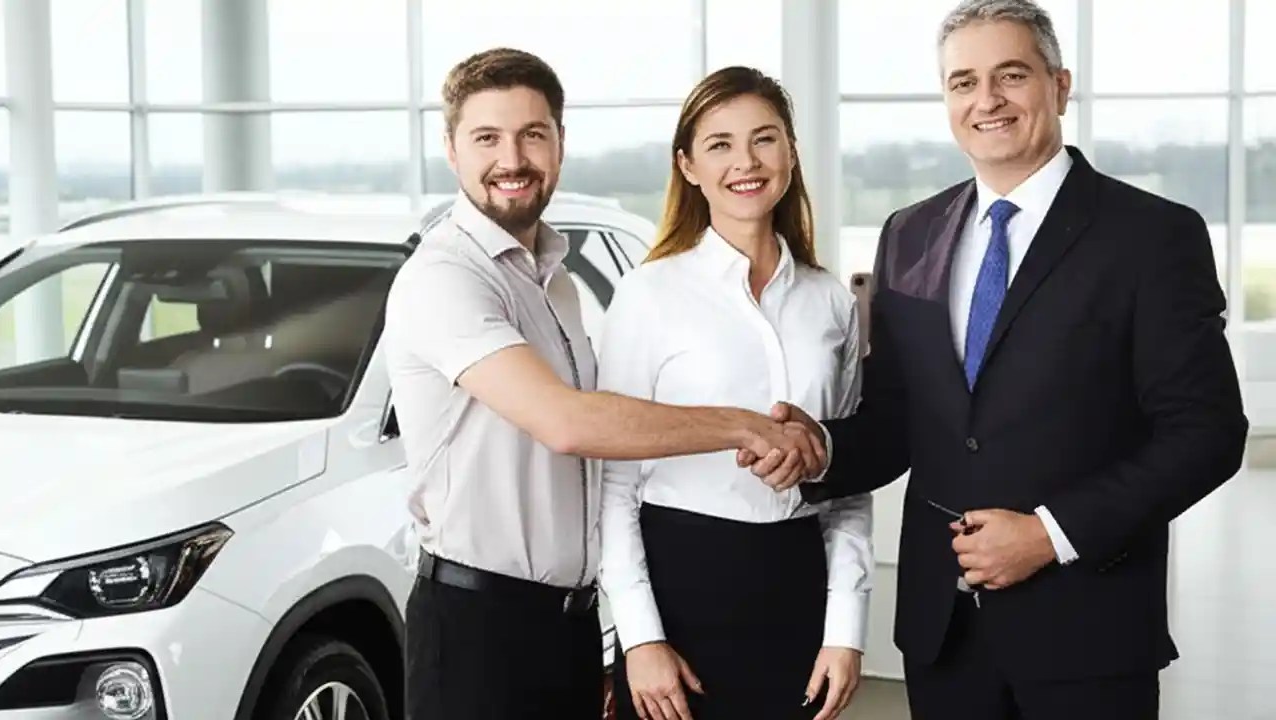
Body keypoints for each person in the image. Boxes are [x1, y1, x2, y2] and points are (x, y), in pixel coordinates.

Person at [747, 1, 1250, 718]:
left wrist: (1050, 534)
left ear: (1060, 85)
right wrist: (818, 446)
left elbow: (1206, 434)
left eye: (1010, 76)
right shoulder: (908, 234)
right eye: (963, 82)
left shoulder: (1152, 238)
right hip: (943, 632)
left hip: (1089, 632)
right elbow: (900, 419)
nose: (986, 101)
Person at [382, 48, 828, 720]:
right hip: (478, 625)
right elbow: (569, 424)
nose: (513, 158)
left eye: (533, 134)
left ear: (560, 144)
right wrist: (746, 425)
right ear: (450, 149)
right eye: (487, 138)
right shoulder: (445, 277)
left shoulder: (551, 276)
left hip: (566, 623)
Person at [597, 66, 874, 720]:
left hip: (798, 594)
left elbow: (848, 480)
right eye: (719, 143)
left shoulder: (829, 301)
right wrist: (640, 637)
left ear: (791, 153)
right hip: (681, 592)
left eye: (764, 139)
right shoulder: (649, 294)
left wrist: (845, 630)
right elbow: (614, 481)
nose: (745, 162)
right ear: (687, 165)